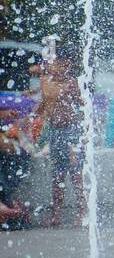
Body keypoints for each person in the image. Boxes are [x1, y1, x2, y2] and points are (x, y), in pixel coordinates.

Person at [34, 44, 86, 227]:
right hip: (55, 131)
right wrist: (33, 116)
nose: (55, 67)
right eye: (53, 63)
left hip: (71, 130)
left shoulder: (72, 83)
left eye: (61, 64)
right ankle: (56, 215)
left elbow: (83, 105)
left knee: (75, 172)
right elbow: (43, 103)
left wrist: (86, 130)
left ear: (67, 65)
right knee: (58, 174)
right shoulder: (45, 81)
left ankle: (82, 212)